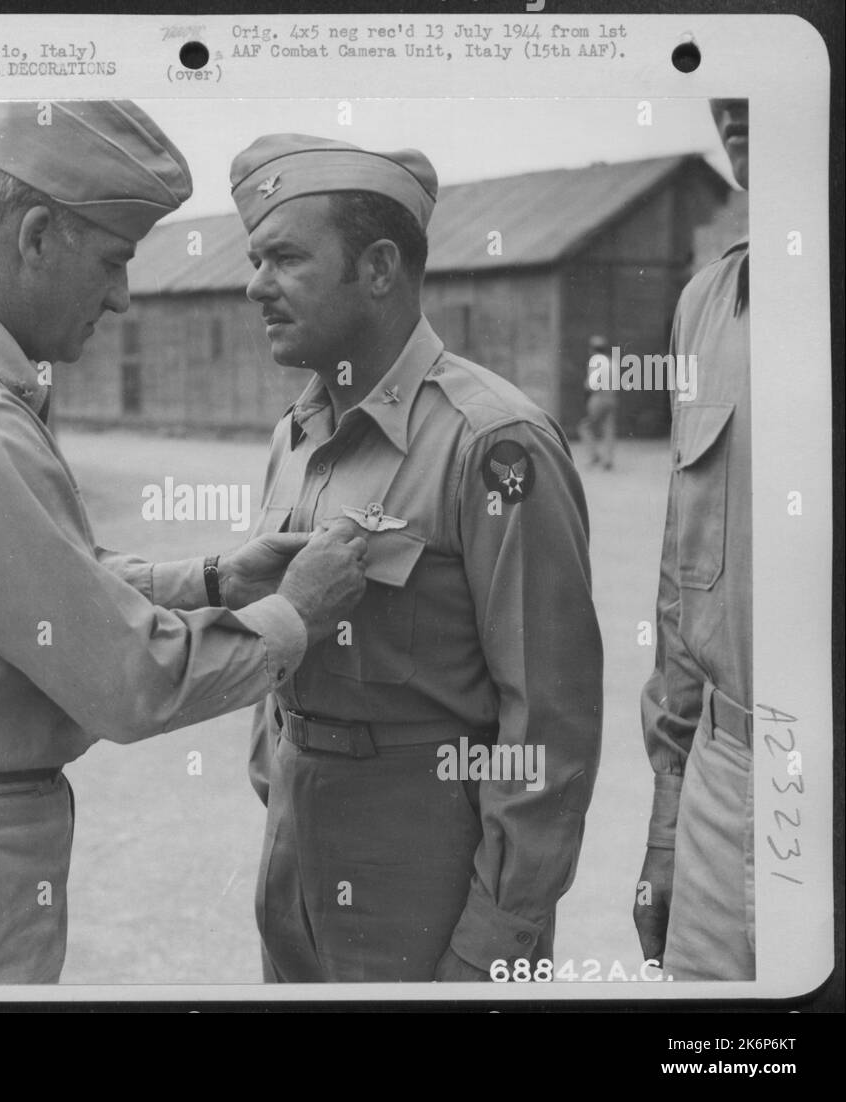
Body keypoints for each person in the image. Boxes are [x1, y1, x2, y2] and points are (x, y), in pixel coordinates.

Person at [0, 101, 368, 985]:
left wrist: (211, 579)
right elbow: (128, 680)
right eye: (114, 261)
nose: (121, 295)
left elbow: (22, 589)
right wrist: (295, 615)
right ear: (37, 235)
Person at [232, 134, 604, 982]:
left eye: (284, 259)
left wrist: (492, 943)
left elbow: (547, 720)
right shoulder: (295, 435)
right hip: (296, 874)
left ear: (380, 267)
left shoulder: (493, 444)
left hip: (432, 889)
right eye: (256, 259)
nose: (256, 285)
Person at [633, 98, 752, 981]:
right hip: (728, 776)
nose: (735, 103)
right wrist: (668, 827)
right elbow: (683, 583)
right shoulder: (707, 304)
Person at [579, 335, 617, 469]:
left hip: (598, 398)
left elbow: (591, 385)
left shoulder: (595, 361)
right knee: (608, 429)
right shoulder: (611, 361)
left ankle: (594, 455)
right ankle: (608, 460)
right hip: (611, 397)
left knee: (585, 427)